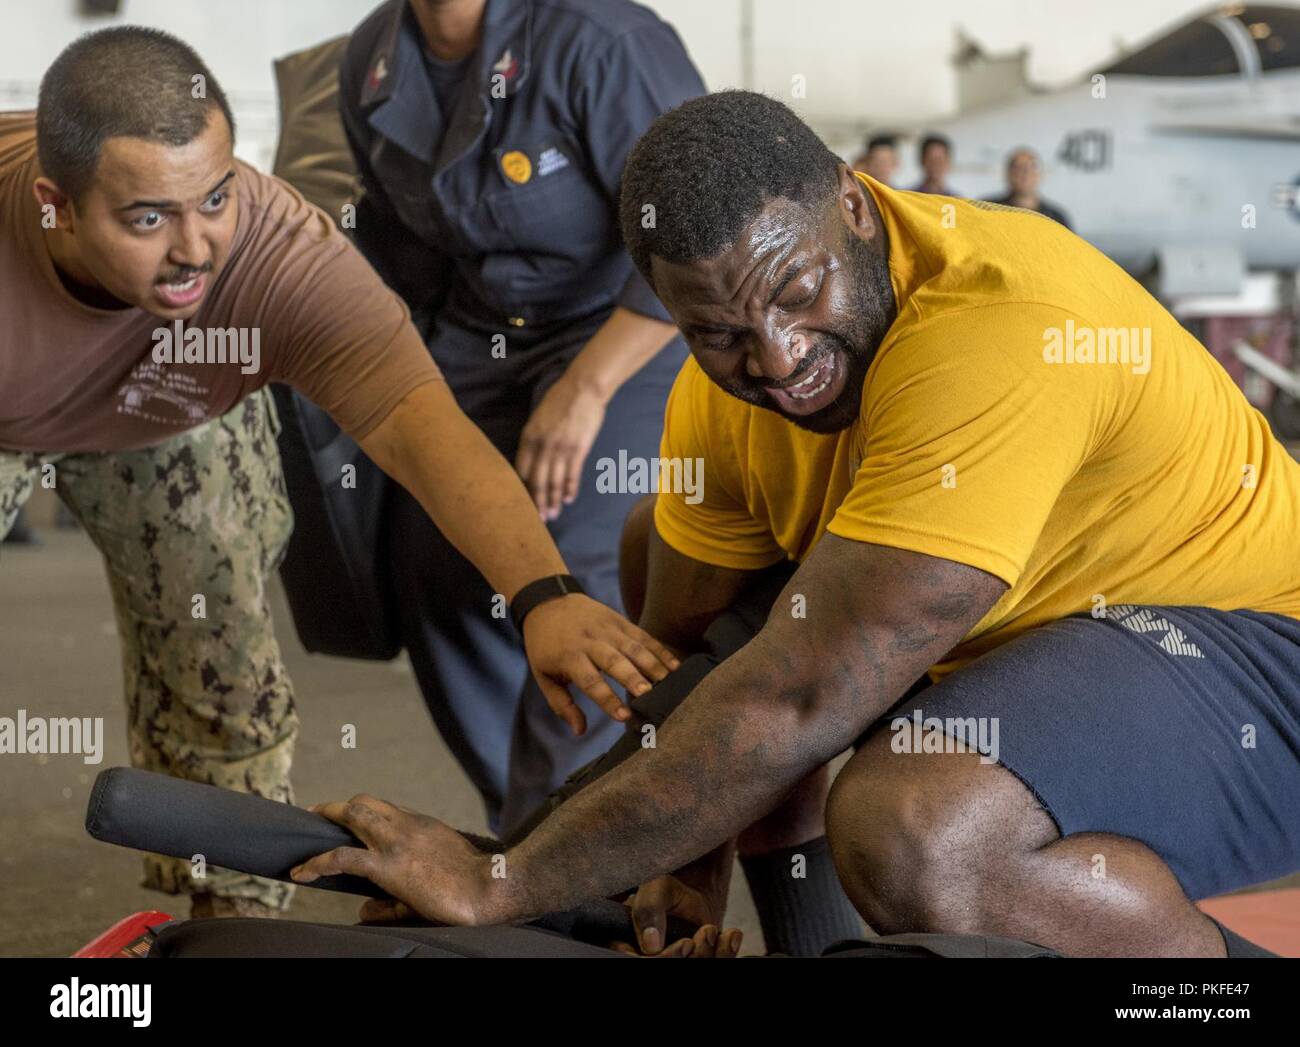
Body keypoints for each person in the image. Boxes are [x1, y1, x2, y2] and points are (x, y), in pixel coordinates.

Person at [292, 91, 1300, 958]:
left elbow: (798, 697)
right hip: (1053, 639)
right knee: (677, 568)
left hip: (1255, 649)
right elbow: (689, 664)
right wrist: (679, 863)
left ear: (855, 208)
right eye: (720, 333)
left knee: (917, 824)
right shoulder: (720, 395)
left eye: (796, 293)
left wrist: (504, 884)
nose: (774, 361)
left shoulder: (995, 335)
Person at [0, 27, 676, 920]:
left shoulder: (279, 254)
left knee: (224, 664)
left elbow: (418, 422)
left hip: (173, 416)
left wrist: (544, 593)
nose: (197, 247)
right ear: (58, 205)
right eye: (148, 219)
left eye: (214, 197)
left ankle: (228, 917)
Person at [338, 0, 703, 838]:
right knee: (434, 563)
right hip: (475, 331)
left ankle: (568, 857)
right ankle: (524, 821)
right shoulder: (370, 57)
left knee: (579, 572)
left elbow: (691, 228)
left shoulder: (605, 41)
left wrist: (583, 391)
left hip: (626, 328)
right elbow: (392, 237)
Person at [984, 147, 1072, 229]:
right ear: (1008, 174)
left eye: (1031, 167)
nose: (1025, 172)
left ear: (1039, 174)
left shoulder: (1056, 218)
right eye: (1018, 167)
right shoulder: (987, 211)